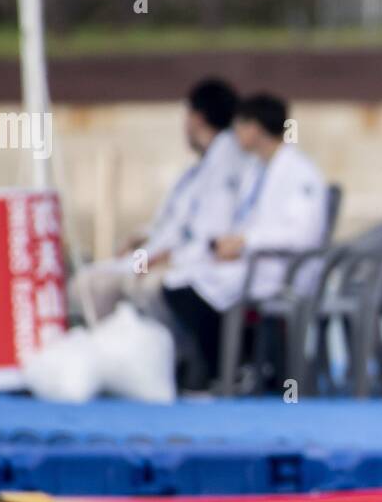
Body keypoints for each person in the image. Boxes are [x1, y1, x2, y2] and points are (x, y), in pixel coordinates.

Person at [162, 93, 326, 390]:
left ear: (255, 128)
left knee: (188, 290)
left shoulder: (300, 172)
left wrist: (247, 242)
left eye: (239, 125)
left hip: (283, 269)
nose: (234, 134)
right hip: (253, 261)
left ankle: (227, 367)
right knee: (181, 279)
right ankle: (229, 363)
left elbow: (305, 235)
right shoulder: (257, 169)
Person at [69, 78, 254, 325]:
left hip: (183, 260)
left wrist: (161, 256)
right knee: (97, 274)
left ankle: (154, 354)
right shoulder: (201, 168)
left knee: (97, 283)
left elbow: (207, 232)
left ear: (196, 118)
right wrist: (142, 236)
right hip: (159, 252)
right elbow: (173, 220)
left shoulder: (225, 167)